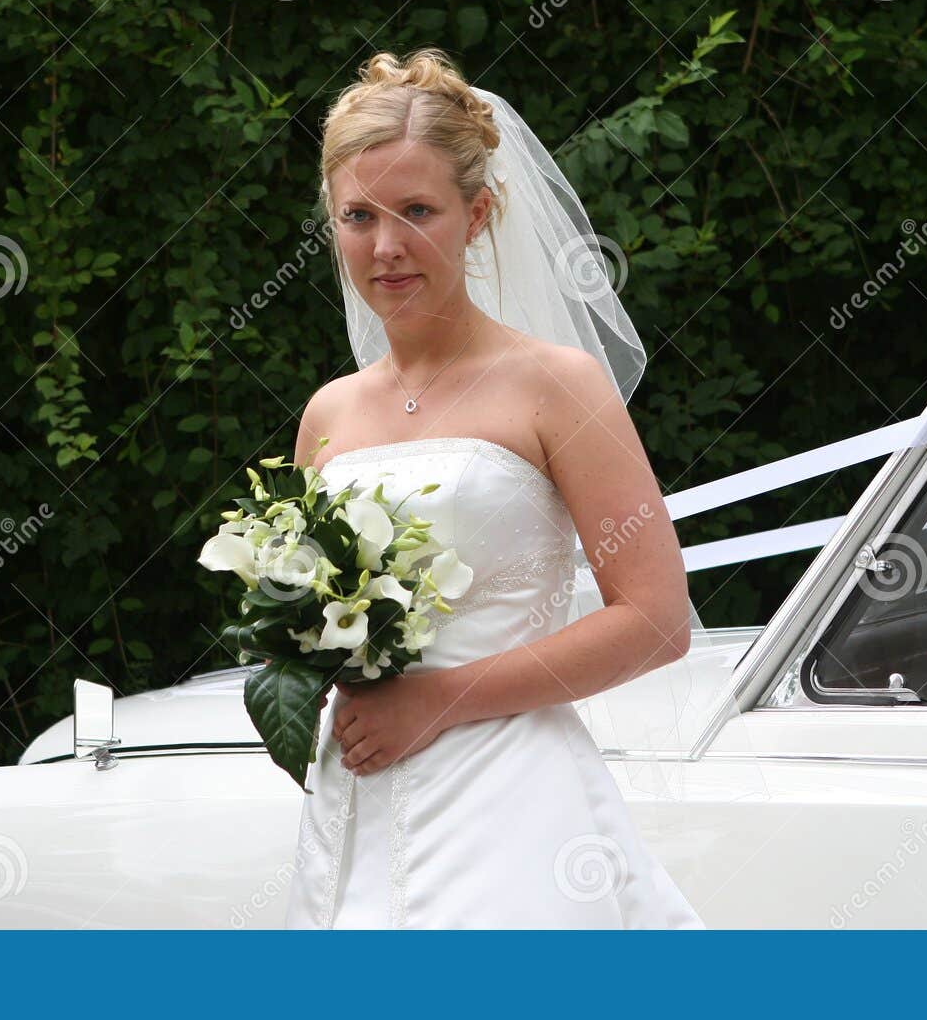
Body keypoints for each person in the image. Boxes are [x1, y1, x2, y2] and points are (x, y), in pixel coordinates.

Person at [282, 48, 706, 928]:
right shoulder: (328, 413)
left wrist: (439, 698)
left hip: (512, 809)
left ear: (478, 214)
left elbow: (658, 619)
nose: (387, 246)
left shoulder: (556, 385)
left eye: (419, 211)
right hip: (355, 802)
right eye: (358, 215)